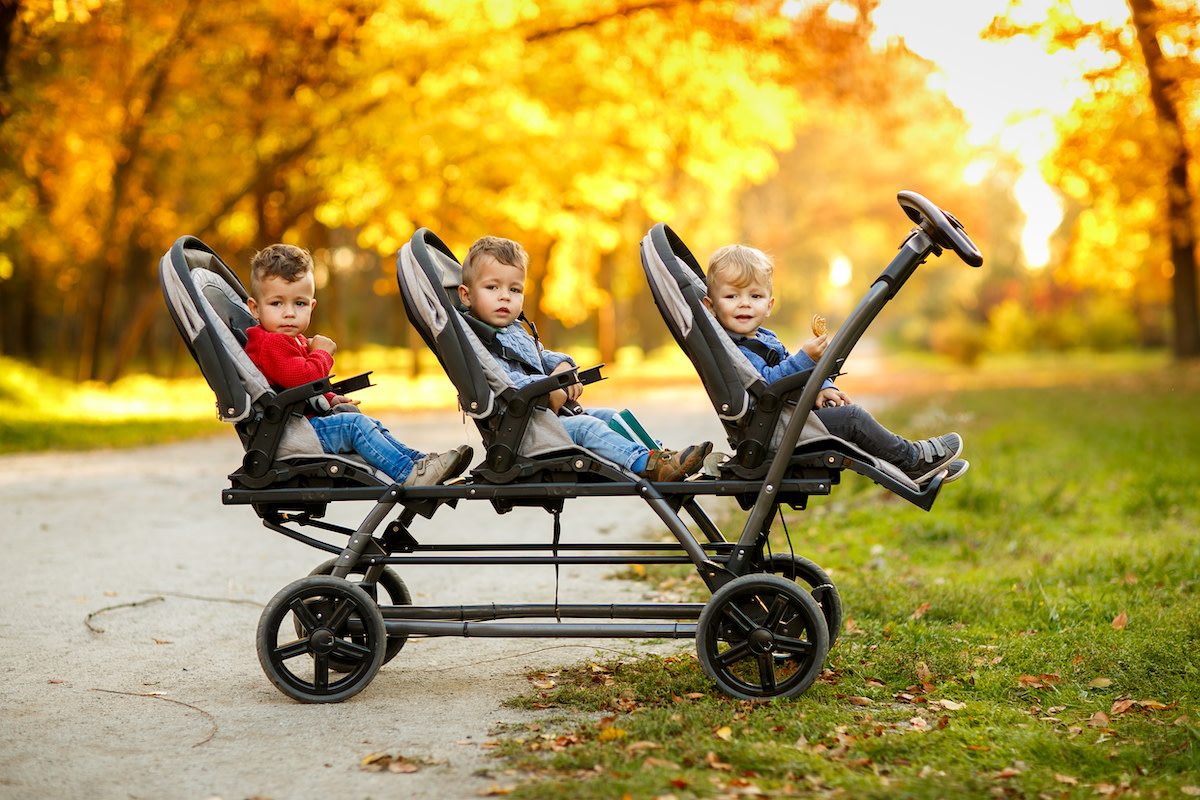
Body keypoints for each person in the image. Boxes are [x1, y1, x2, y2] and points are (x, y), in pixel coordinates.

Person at [703, 244, 967, 484]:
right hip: (775, 432)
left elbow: (788, 370)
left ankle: (906, 470)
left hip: (790, 419)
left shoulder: (764, 338)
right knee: (853, 420)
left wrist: (822, 386)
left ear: (769, 305)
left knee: (850, 418)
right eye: (732, 297)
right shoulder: (736, 350)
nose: (745, 304)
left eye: (755, 296)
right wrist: (805, 359)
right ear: (710, 307)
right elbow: (768, 385)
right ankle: (912, 460)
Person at [457, 236, 711, 481]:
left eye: (515, 289)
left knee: (610, 416)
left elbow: (540, 355)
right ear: (466, 296)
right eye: (492, 287)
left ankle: (661, 458)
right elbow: (502, 381)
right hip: (521, 433)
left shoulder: (513, 330)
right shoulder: (475, 342)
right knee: (586, 428)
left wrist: (562, 365)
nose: (505, 296)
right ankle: (647, 465)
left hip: (547, 420)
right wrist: (546, 390)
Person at [244, 243, 472, 487]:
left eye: (299, 304)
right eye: (277, 304)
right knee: (355, 426)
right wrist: (322, 353)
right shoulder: (272, 344)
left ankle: (419, 463)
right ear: (255, 309)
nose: (289, 313)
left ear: (311, 306)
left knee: (363, 421)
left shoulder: (288, 340)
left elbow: (291, 386)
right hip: (290, 436)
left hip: (297, 426)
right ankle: (410, 474)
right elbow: (303, 378)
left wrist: (330, 398)